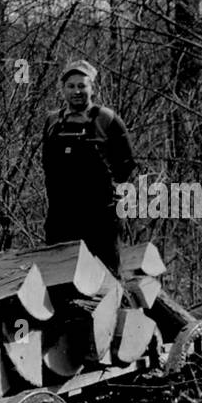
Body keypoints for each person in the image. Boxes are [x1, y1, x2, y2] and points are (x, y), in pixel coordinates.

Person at [42, 60, 137, 274]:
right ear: (63, 89)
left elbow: (126, 166)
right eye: (71, 86)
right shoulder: (52, 122)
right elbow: (47, 164)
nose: (77, 91)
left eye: (82, 86)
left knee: (107, 280)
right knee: (59, 280)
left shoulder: (108, 120)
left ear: (92, 88)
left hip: (100, 220)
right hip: (61, 218)